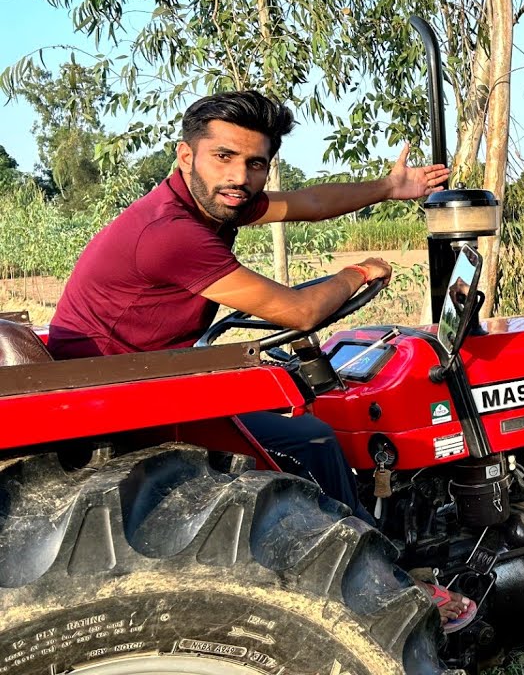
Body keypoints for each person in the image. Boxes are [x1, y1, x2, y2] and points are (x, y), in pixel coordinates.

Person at [46, 90, 473, 628]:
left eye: (255, 163)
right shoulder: (172, 233)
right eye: (223, 156)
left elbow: (309, 205)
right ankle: (388, 579)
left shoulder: (204, 201)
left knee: (289, 405)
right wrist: (357, 273)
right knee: (313, 439)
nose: (240, 177)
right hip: (116, 398)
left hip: (146, 372)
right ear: (186, 156)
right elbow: (296, 311)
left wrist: (390, 188)